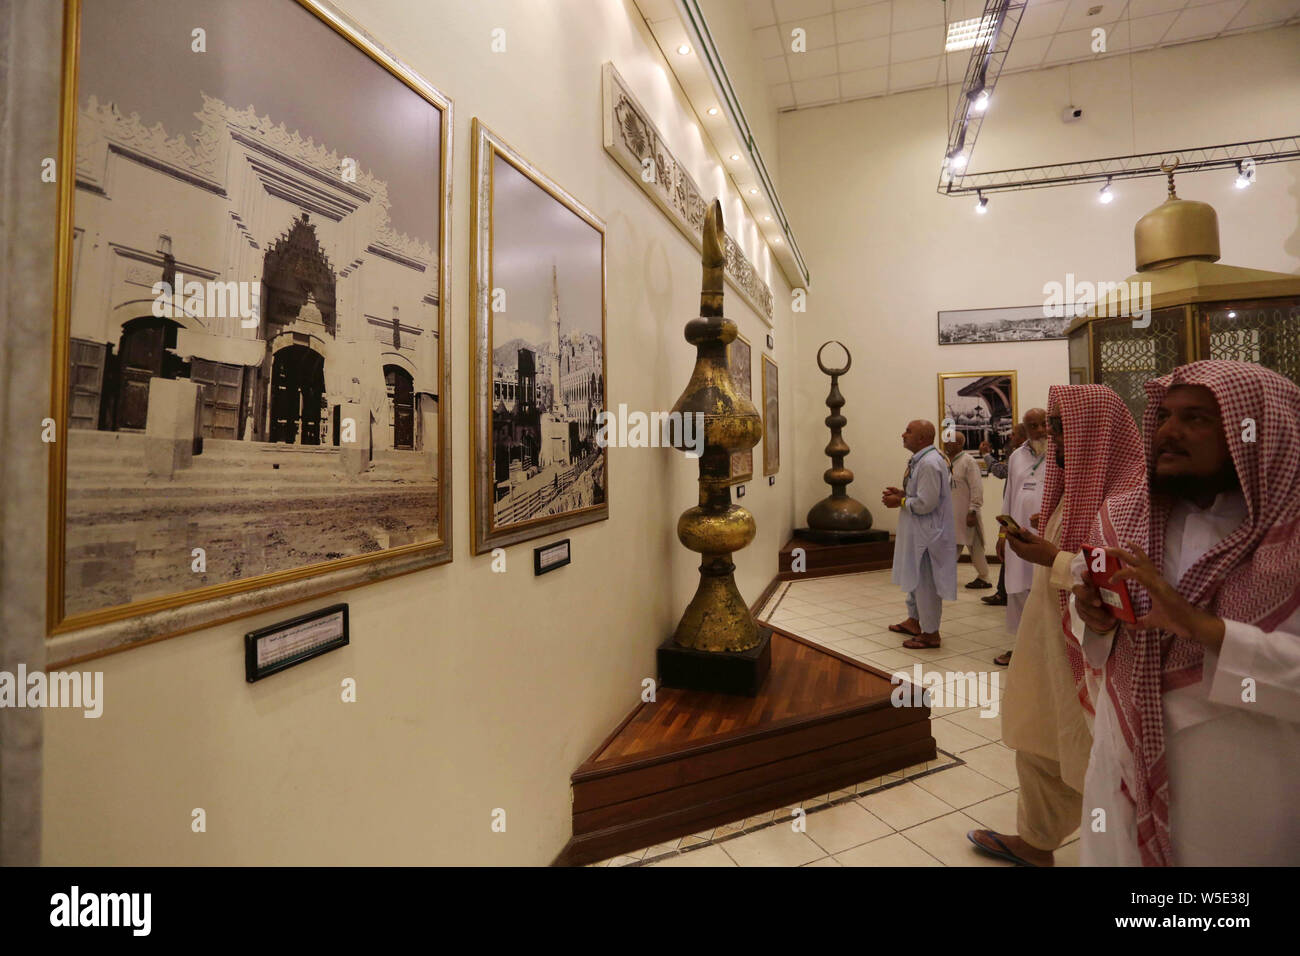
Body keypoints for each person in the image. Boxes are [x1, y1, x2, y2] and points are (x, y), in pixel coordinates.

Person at [1070, 360, 1300, 866]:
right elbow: (1090, 610)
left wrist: (1204, 630)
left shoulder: (1290, 540)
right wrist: (1093, 614)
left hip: (1243, 777)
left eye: (1196, 418)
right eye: (1166, 416)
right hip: (1123, 755)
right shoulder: (1126, 515)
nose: (1169, 433)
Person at [967, 384, 1144, 866]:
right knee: (1040, 738)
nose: (1052, 436)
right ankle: (1037, 841)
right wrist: (1037, 545)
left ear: (1093, 432)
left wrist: (1054, 557)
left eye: (1061, 428)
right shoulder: (1073, 486)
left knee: (1096, 756)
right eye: (1051, 426)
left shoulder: (1130, 497)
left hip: (1097, 657)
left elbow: (1121, 578)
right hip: (1050, 641)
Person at [883, 420, 957, 649]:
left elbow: (927, 503)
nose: (903, 434)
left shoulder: (929, 463)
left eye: (909, 431)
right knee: (916, 579)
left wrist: (901, 501)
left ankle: (931, 633)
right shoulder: (922, 460)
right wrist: (904, 493)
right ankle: (914, 620)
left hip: (928, 536)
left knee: (926, 583)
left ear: (923, 438)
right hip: (919, 532)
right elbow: (923, 494)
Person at [995, 409, 1049, 666]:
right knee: (1016, 589)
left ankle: (1043, 651)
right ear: (1024, 429)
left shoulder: (1063, 454)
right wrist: (1002, 534)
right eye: (1033, 425)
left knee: (1043, 592)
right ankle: (1019, 648)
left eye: (1043, 424)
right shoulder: (1017, 456)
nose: (1040, 430)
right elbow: (1009, 496)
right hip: (1018, 535)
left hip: (1047, 537)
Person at [983, 423, 1027, 609]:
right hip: (1012, 513)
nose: (1010, 437)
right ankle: (1003, 592)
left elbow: (1000, 472)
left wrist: (986, 455)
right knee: (1007, 550)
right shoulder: (1017, 455)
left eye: (1014, 434)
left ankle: (1006, 593)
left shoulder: (1020, 458)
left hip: (1021, 515)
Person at [944, 433, 991, 589]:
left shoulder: (968, 462)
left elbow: (977, 487)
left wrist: (973, 510)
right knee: (953, 544)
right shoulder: (946, 462)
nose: (946, 444)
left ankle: (984, 578)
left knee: (974, 545)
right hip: (952, 514)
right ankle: (945, 576)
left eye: (950, 442)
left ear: (959, 444)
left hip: (967, 514)